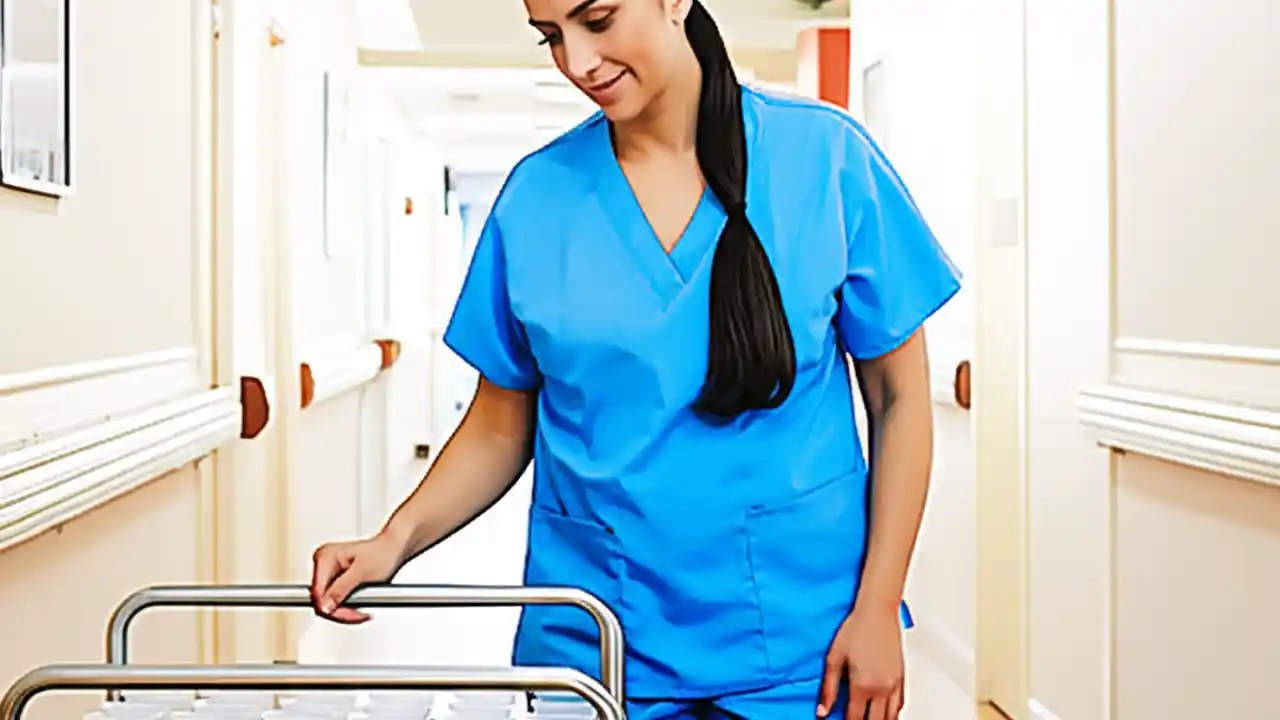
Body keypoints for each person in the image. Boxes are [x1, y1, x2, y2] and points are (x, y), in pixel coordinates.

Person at [309, 1, 961, 718]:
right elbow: (500, 425)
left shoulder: (827, 160)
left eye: (599, 19)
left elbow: (899, 402)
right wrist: (394, 540)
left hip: (804, 642)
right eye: (551, 36)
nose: (577, 61)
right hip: (599, 643)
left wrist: (878, 605)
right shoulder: (537, 197)